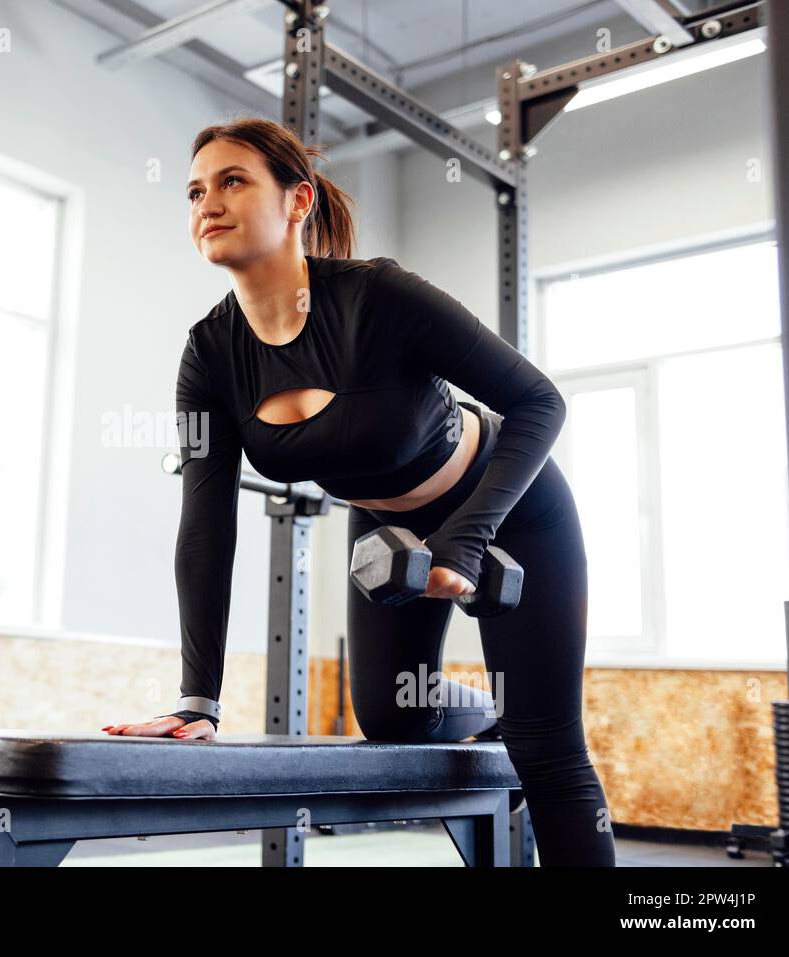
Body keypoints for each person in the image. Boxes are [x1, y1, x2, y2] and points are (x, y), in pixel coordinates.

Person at [101, 116, 615, 866]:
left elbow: (541, 403)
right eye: (194, 191)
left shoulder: (379, 297)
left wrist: (468, 536)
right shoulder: (209, 354)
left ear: (298, 201)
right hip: (388, 533)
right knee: (391, 716)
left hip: (511, 507)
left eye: (232, 181)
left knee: (547, 746)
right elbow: (206, 526)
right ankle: (491, 704)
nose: (207, 202)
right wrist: (197, 701)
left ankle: (526, 716)